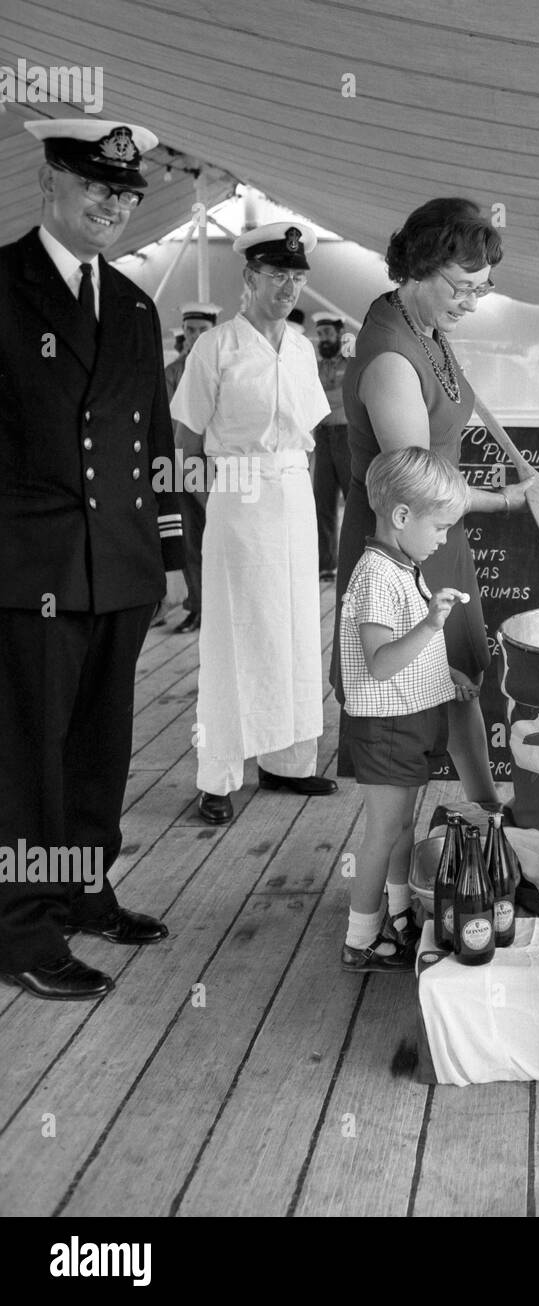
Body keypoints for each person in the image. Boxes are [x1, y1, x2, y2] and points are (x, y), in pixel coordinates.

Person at [0, 118, 181, 1001]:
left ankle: (82, 887)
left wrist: (167, 553)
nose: (113, 205)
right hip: (27, 568)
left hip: (118, 567)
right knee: (26, 753)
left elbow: (150, 441)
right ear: (49, 186)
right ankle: (20, 926)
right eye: (97, 188)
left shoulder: (137, 305)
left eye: (125, 194)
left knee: (99, 745)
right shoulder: (3, 284)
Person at [331, 197, 528, 806]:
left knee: (460, 684)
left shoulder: (421, 321)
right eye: (463, 287)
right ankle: (390, 862)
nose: (472, 302)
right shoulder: (391, 356)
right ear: (418, 267)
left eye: (482, 287)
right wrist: (505, 501)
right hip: (406, 545)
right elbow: (420, 490)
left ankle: (488, 811)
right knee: (411, 692)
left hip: (438, 536)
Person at [172, 222, 338, 825]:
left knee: (295, 628)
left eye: (296, 278)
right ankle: (218, 774)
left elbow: (312, 436)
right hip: (237, 492)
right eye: (276, 276)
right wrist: (198, 507)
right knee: (234, 633)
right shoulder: (214, 347)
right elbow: (186, 439)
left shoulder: (298, 348)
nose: (288, 288)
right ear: (250, 279)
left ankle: (289, 763)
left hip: (292, 493)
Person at [337, 448, 472, 971]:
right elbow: (380, 663)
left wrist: (447, 673)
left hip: (408, 721)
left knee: (402, 825)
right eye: (439, 526)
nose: (443, 538)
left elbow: (411, 657)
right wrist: (431, 627)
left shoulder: (403, 564)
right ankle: (361, 937)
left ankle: (397, 910)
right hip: (386, 726)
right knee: (382, 832)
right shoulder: (376, 575)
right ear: (401, 517)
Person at [164, 301, 221, 634]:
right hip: (174, 464)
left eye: (202, 329)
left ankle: (218, 608)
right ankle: (197, 606)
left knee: (218, 537)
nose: (195, 335)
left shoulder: (224, 367)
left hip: (214, 465)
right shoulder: (172, 372)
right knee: (187, 539)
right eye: (190, 329)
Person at [311, 311, 350, 581]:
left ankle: (357, 558)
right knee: (322, 502)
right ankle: (327, 565)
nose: (324, 338)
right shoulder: (313, 365)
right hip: (322, 436)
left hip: (347, 435)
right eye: (320, 334)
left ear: (339, 333)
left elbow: (345, 394)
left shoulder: (351, 362)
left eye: (328, 333)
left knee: (354, 499)